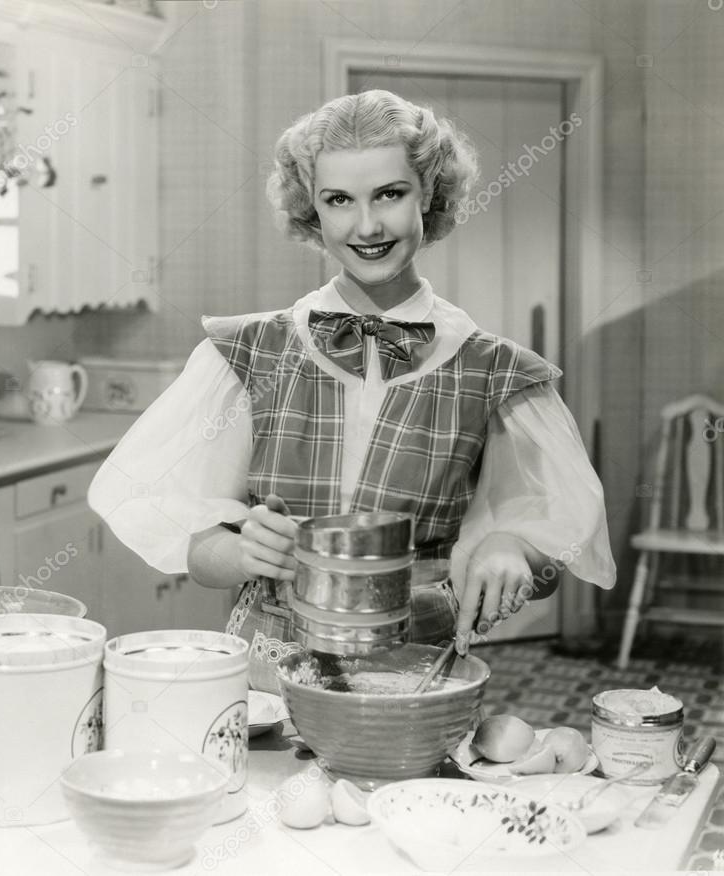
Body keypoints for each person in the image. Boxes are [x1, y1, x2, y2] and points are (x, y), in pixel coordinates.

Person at [88, 89, 615, 690]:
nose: (365, 226)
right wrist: (240, 554)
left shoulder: (496, 371)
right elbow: (197, 544)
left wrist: (512, 546)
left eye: (390, 194)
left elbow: (557, 539)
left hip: (417, 674)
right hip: (264, 676)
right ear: (311, 210)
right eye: (338, 200)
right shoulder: (247, 354)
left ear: (431, 195)